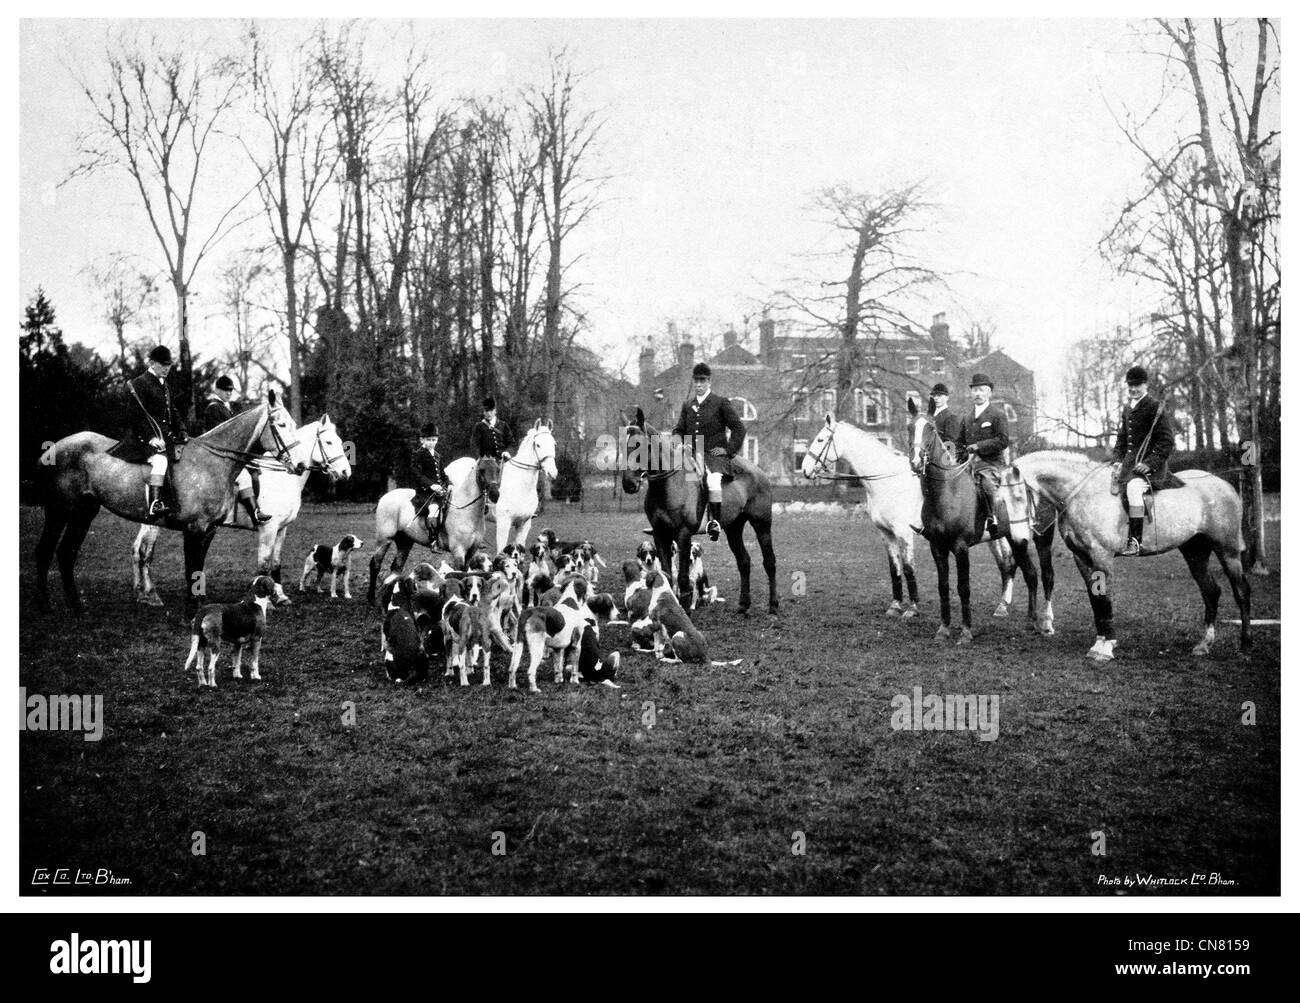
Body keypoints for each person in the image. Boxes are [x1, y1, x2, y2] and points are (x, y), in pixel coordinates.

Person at [672, 362, 745, 542]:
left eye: (702, 380)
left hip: (714, 457)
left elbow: (738, 427)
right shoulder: (688, 405)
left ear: (709, 381)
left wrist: (728, 450)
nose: (698, 384)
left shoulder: (720, 403)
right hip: (690, 456)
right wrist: (679, 443)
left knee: (712, 480)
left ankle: (715, 522)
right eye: (696, 380)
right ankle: (671, 520)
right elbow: (678, 430)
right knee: (675, 479)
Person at [116, 345, 190, 519]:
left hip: (164, 438)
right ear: (151, 363)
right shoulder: (141, 382)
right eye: (162, 365)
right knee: (161, 461)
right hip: (141, 438)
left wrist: (182, 430)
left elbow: (173, 411)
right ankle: (155, 505)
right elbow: (134, 415)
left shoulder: (165, 385)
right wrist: (150, 438)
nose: (166, 368)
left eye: (169, 365)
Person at [1111, 365, 1175, 556]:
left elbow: (1167, 441)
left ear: (1146, 385)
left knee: (1133, 489)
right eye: (1130, 385)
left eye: (1137, 385)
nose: (1133, 389)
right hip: (1130, 467)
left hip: (1152, 469)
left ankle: (1135, 541)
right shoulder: (1127, 408)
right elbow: (1122, 439)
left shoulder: (1155, 407)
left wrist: (1149, 464)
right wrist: (1117, 460)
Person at [203, 376, 270, 525]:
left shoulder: (228, 407)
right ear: (217, 390)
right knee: (244, 477)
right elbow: (220, 435)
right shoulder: (213, 408)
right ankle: (254, 513)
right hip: (219, 454)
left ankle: (245, 510)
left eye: (230, 390)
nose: (228, 393)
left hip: (231, 453)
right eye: (225, 390)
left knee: (255, 471)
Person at [955, 373, 1010, 537]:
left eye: (981, 390)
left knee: (986, 484)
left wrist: (978, 446)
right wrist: (959, 453)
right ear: (971, 393)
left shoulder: (997, 414)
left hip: (991, 464)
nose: (978, 394)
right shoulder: (966, 417)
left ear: (989, 393)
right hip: (969, 465)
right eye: (975, 390)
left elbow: (1003, 440)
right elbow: (959, 442)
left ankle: (992, 518)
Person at [411, 422, 450, 542]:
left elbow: (442, 474)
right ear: (422, 440)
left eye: (434, 440)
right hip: (425, 493)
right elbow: (417, 474)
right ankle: (433, 539)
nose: (431, 443)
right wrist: (431, 485)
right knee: (434, 509)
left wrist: (450, 484)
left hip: (439, 492)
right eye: (428, 440)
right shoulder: (418, 455)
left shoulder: (437, 455)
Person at [471, 397, 512, 462]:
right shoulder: (479, 426)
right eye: (486, 411)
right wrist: (481, 458)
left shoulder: (503, 425)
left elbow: (511, 442)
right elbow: (475, 445)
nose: (489, 414)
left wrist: (508, 452)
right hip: (487, 462)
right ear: (483, 412)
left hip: (503, 460)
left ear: (495, 411)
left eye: (491, 411)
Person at [928, 383, 961, 454]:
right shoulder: (930, 416)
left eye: (939, 395)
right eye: (934, 396)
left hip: (943, 459)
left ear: (947, 398)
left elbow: (952, 443)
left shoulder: (950, 417)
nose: (936, 398)